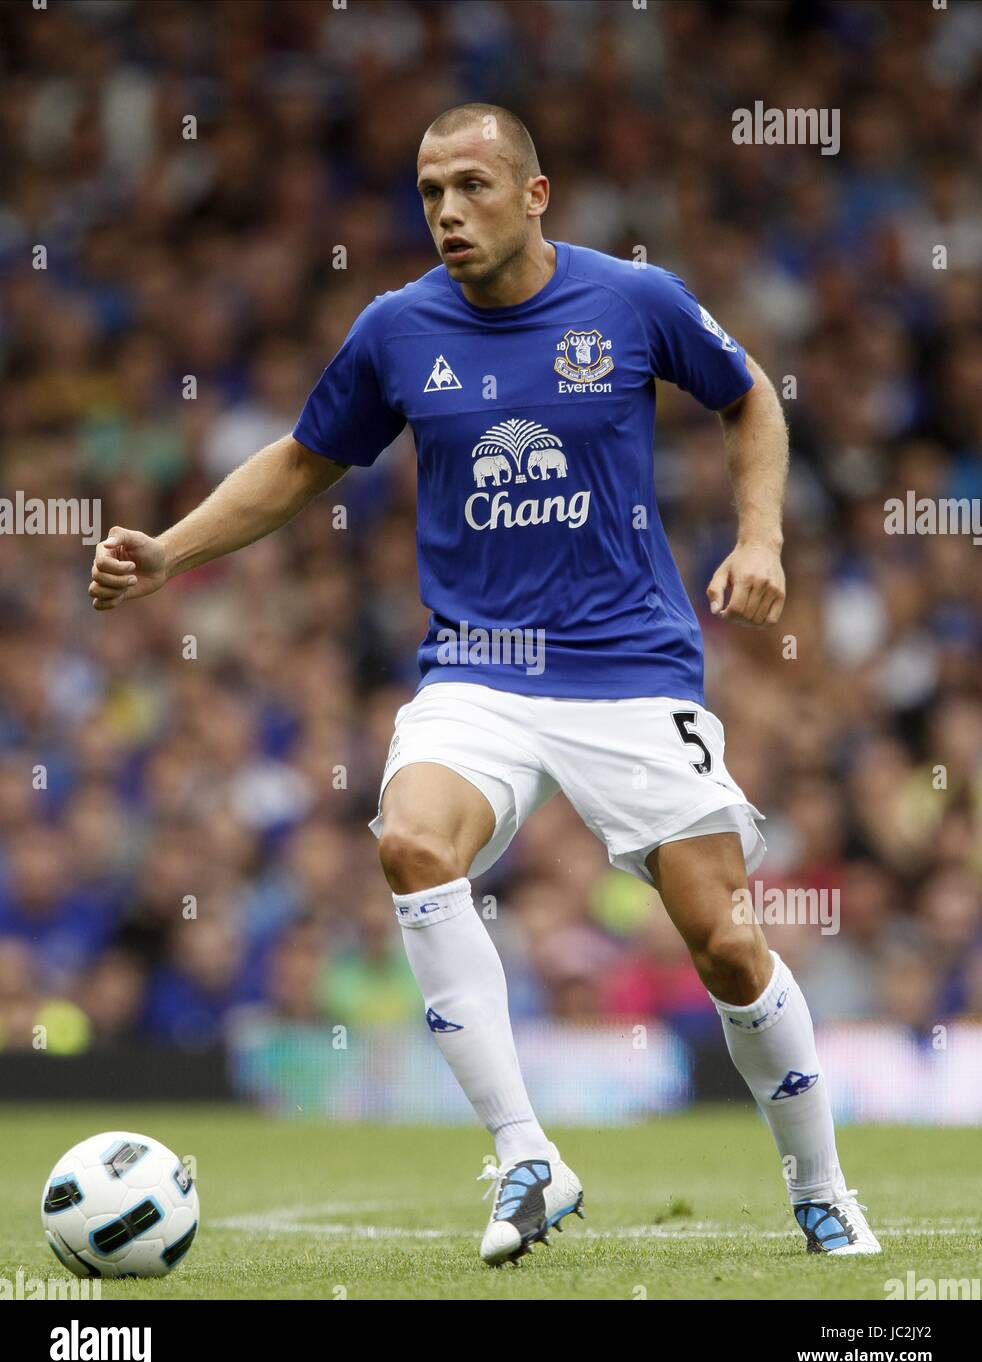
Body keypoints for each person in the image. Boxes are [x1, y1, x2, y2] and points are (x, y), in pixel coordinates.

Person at [90, 103, 880, 1265]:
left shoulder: (633, 300)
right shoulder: (397, 329)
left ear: (535, 193)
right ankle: (525, 1153)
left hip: (628, 669)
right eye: (428, 192)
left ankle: (820, 1189)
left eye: (471, 186)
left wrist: (759, 540)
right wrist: (170, 549)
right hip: (479, 670)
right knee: (410, 840)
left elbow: (748, 394)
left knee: (721, 941)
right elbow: (305, 460)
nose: (448, 212)